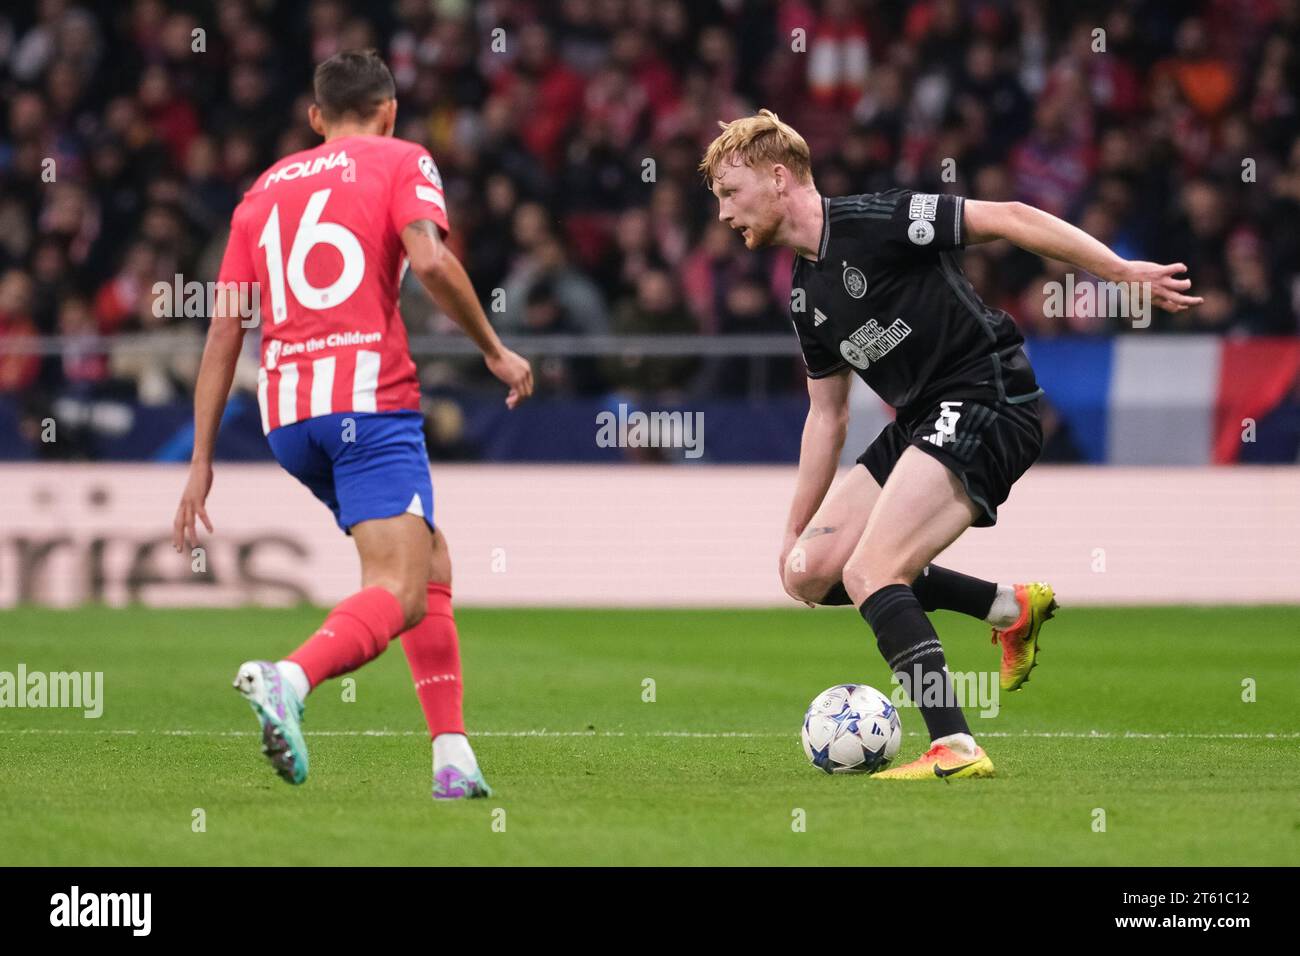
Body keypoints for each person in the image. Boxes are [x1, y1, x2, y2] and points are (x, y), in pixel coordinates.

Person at [699, 110, 1201, 779]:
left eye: (731, 194)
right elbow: (827, 418)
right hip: (923, 416)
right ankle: (1007, 607)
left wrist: (1117, 271)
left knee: (872, 571)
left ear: (779, 178)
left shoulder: (879, 220)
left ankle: (956, 746)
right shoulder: (805, 295)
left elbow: (1014, 216)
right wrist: (793, 530)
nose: (725, 214)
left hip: (989, 394)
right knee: (812, 572)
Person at [172, 50, 533, 799]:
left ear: (315, 119)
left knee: (428, 558)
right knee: (398, 588)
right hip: (368, 403)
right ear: (390, 110)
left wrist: (201, 456)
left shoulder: (261, 192)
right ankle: (290, 680)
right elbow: (430, 263)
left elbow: (223, 331)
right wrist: (494, 350)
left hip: (288, 418)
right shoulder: (403, 158)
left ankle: (453, 756)